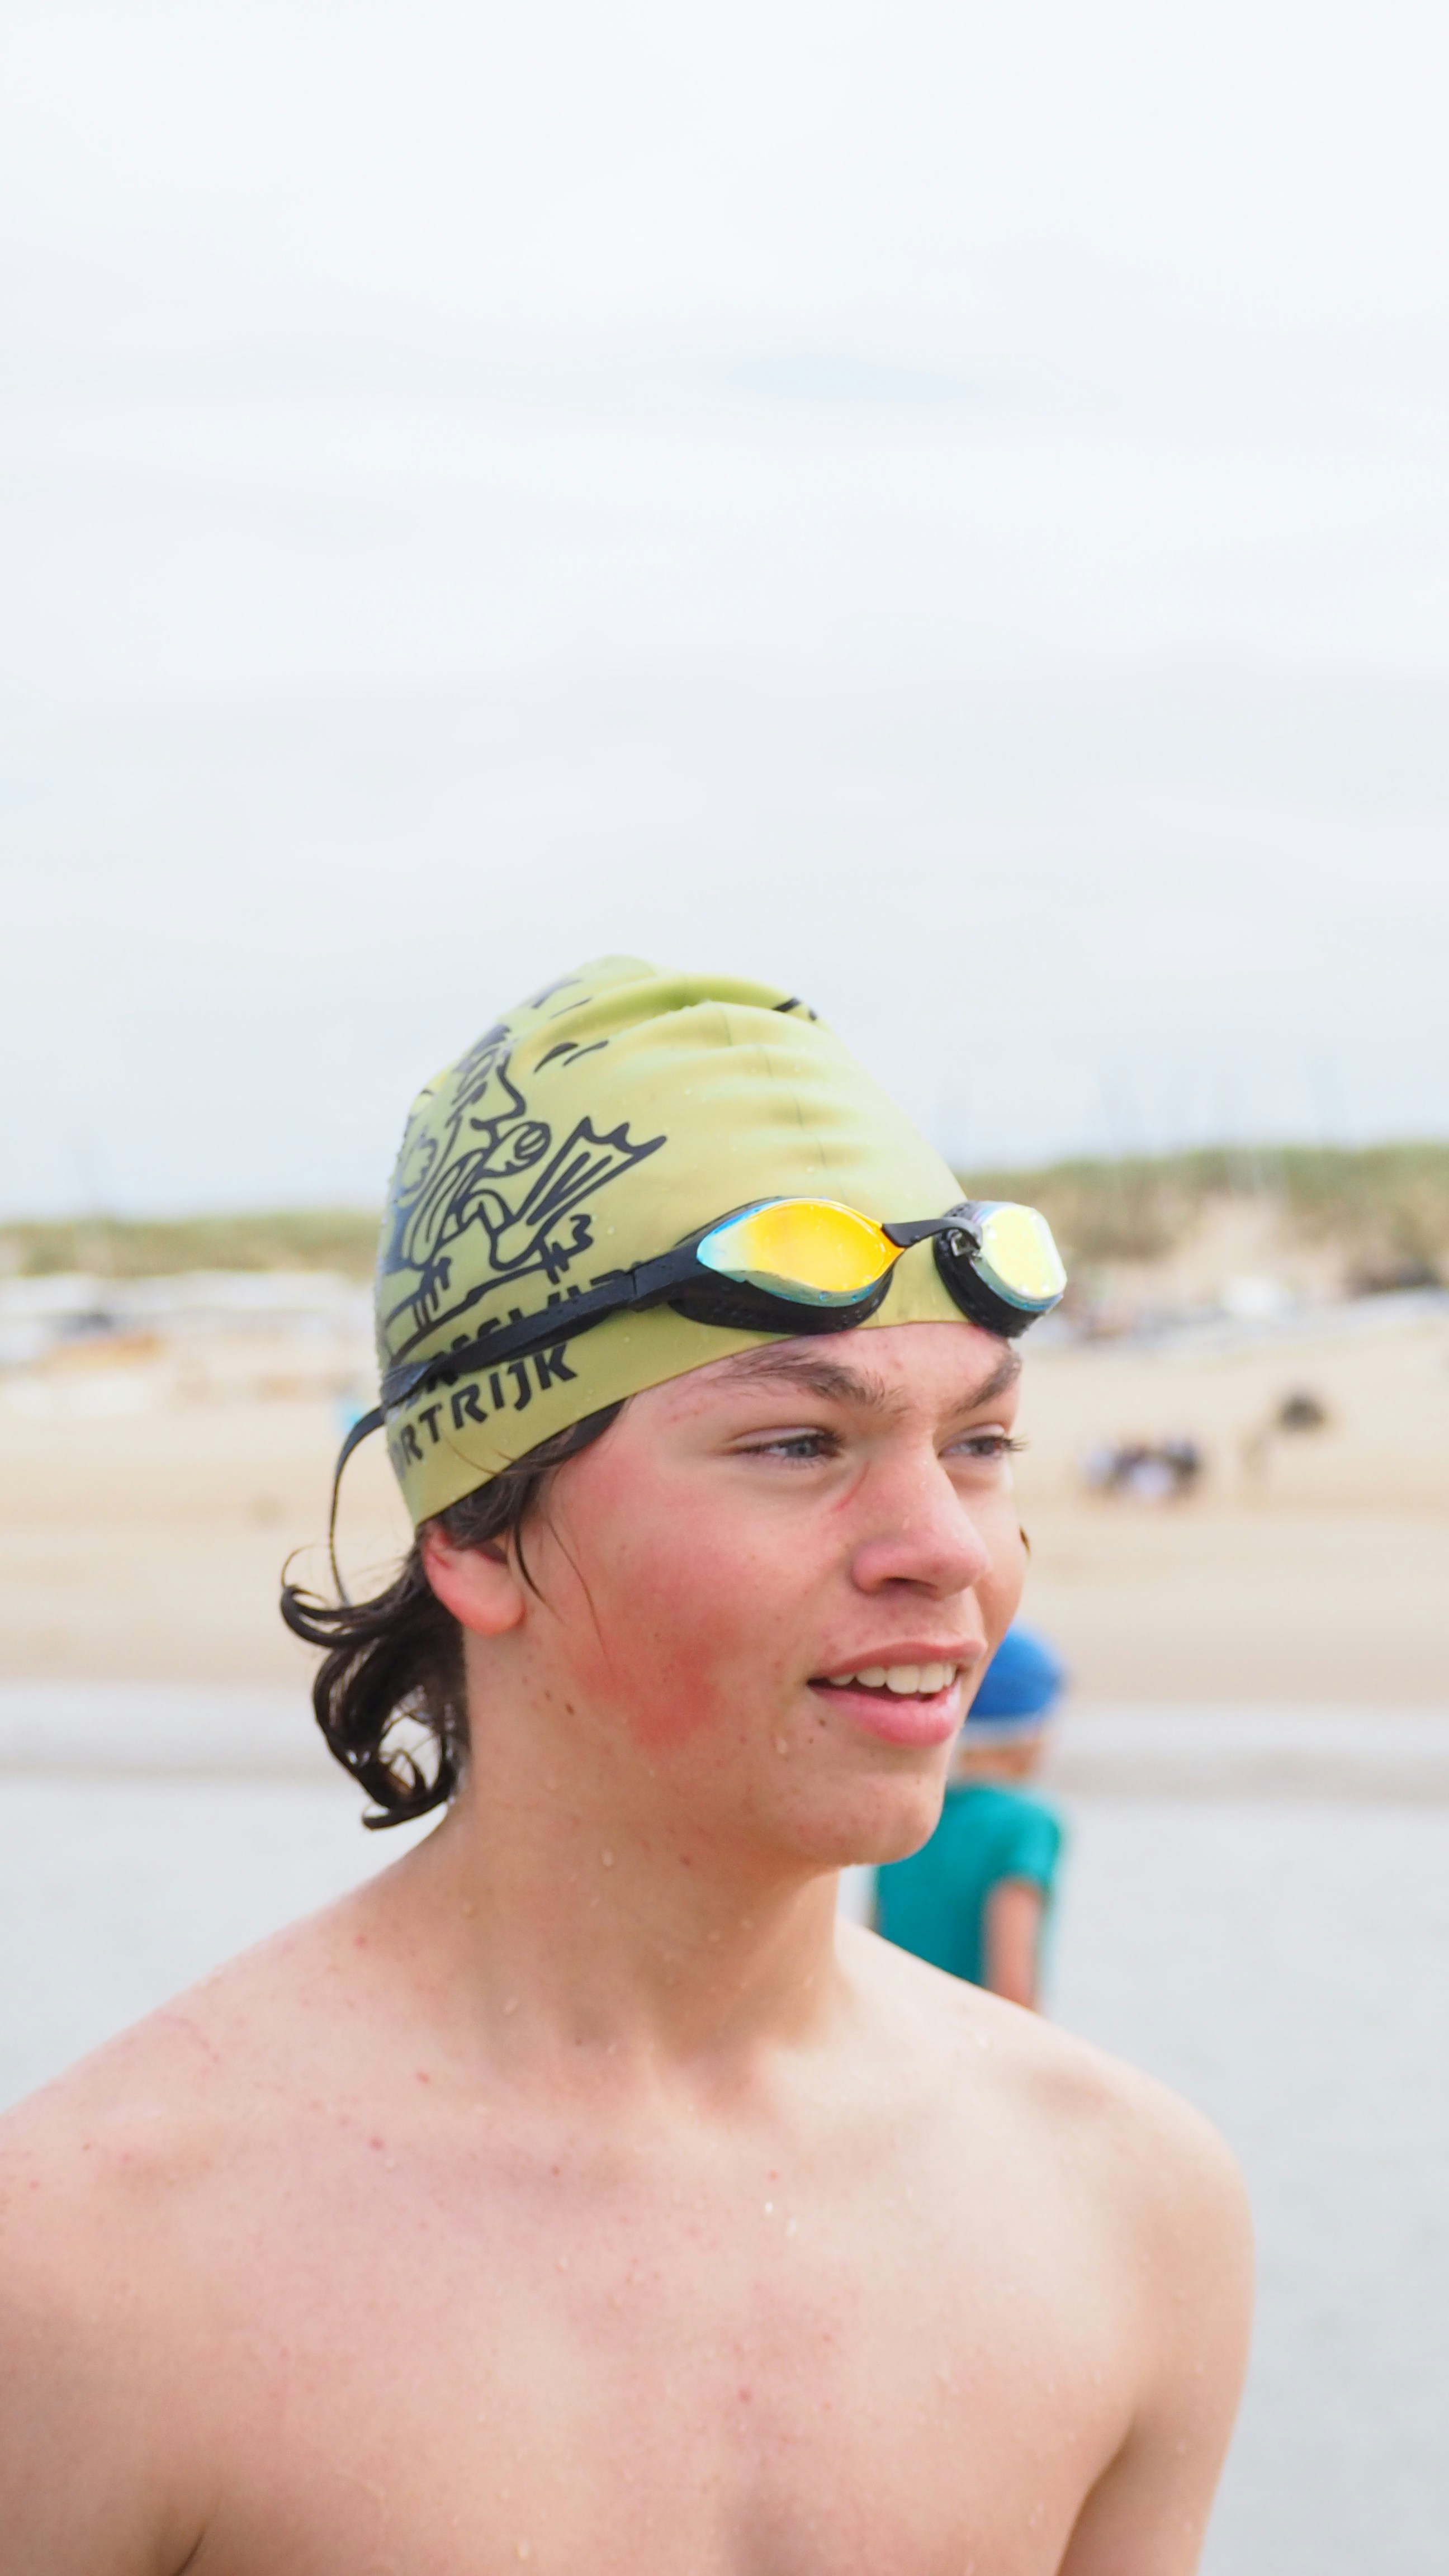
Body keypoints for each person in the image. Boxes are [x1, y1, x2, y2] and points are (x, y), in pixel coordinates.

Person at [0, 958, 1251, 2573]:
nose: (951, 1552)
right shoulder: (96, 2279)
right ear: (474, 1530)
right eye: (799, 1444)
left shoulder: (1128, 2213)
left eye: (980, 1443)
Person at [875, 1622, 1066, 2006]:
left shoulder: (907, 1810)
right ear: (1033, 1732)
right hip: (974, 2051)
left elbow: (874, 1945)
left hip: (897, 2040)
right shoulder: (1026, 1824)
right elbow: (1012, 1980)